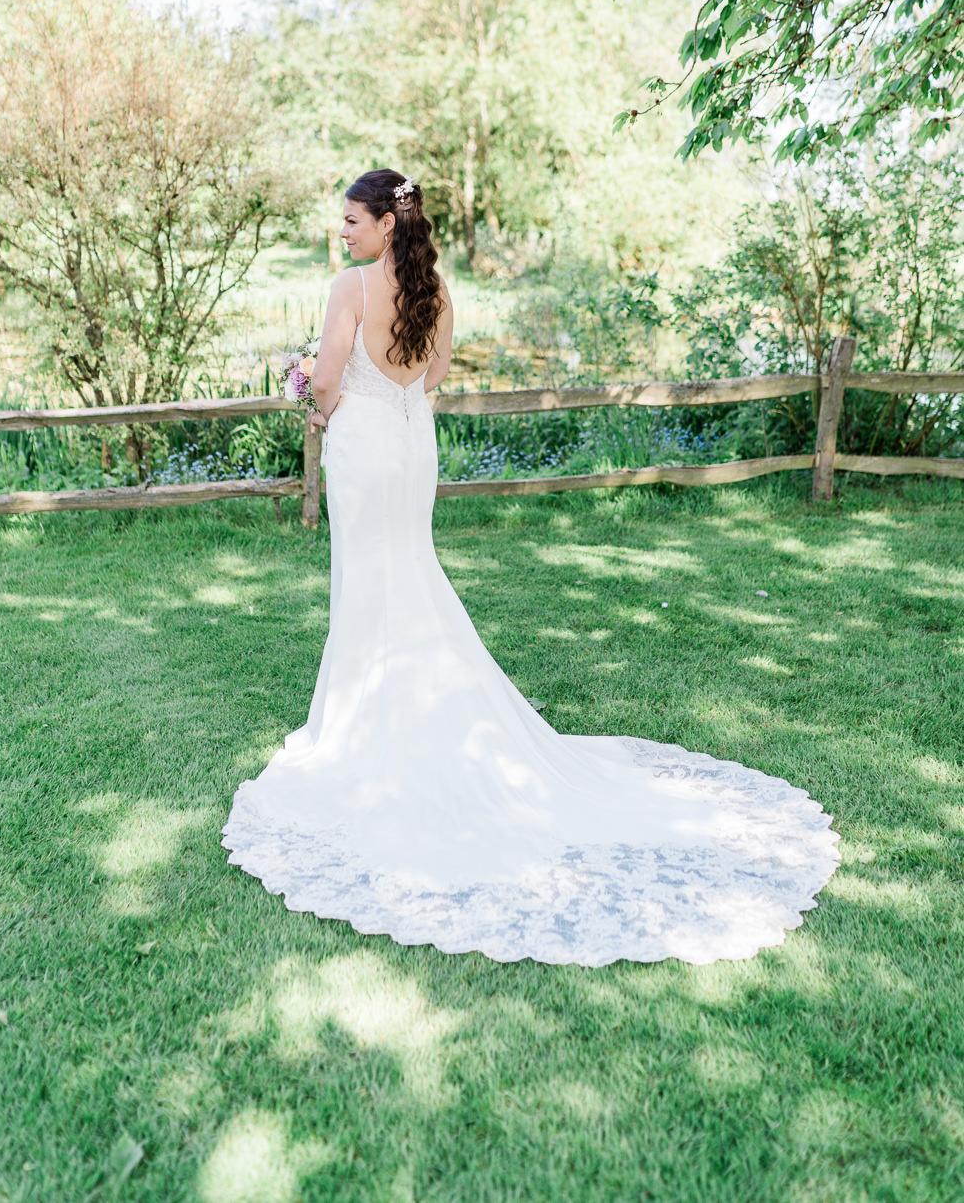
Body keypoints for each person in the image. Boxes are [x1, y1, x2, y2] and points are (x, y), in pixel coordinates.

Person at [223, 169, 839, 965]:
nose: (342, 232)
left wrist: (311, 395)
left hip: (365, 444)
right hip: (413, 443)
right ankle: (404, 706)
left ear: (382, 223)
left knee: (370, 578)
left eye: (350, 220)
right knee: (409, 567)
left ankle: (363, 726)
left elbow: (334, 378)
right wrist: (389, 394)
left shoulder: (350, 287)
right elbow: (435, 374)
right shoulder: (435, 290)